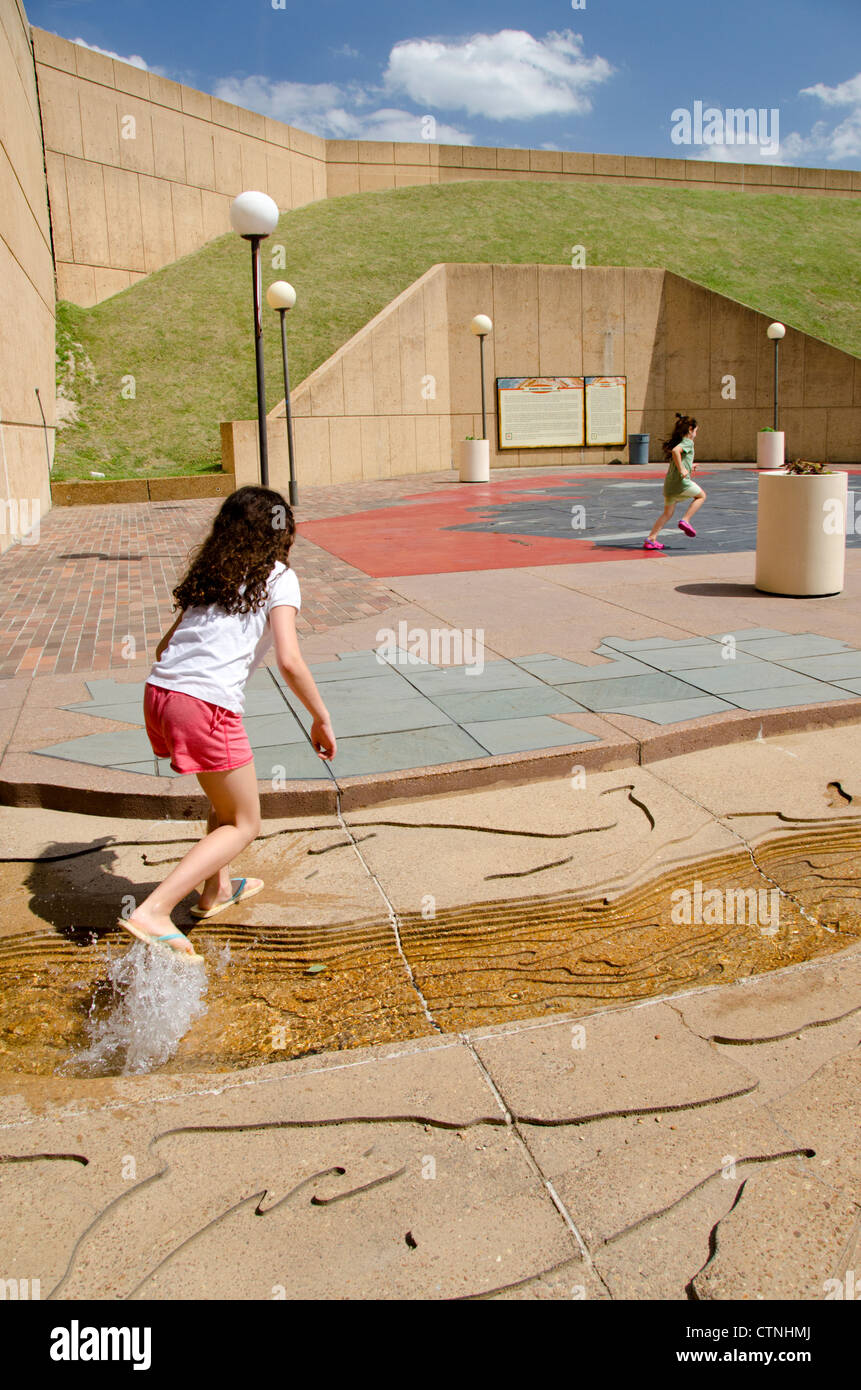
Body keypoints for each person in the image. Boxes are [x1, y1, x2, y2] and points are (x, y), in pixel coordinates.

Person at [121, 485, 337, 962]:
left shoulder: (212, 574)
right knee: (245, 821)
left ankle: (215, 889)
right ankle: (154, 910)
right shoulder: (279, 577)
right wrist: (320, 718)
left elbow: (163, 650)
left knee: (223, 798)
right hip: (203, 706)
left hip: (159, 694)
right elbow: (290, 660)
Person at [644, 414, 706, 551]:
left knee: (667, 513)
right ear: (690, 429)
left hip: (669, 484)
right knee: (701, 496)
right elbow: (675, 452)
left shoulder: (679, 442)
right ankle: (686, 520)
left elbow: (678, 456)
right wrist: (683, 469)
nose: (696, 434)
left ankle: (651, 539)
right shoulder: (687, 442)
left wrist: (689, 466)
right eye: (696, 431)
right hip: (680, 483)